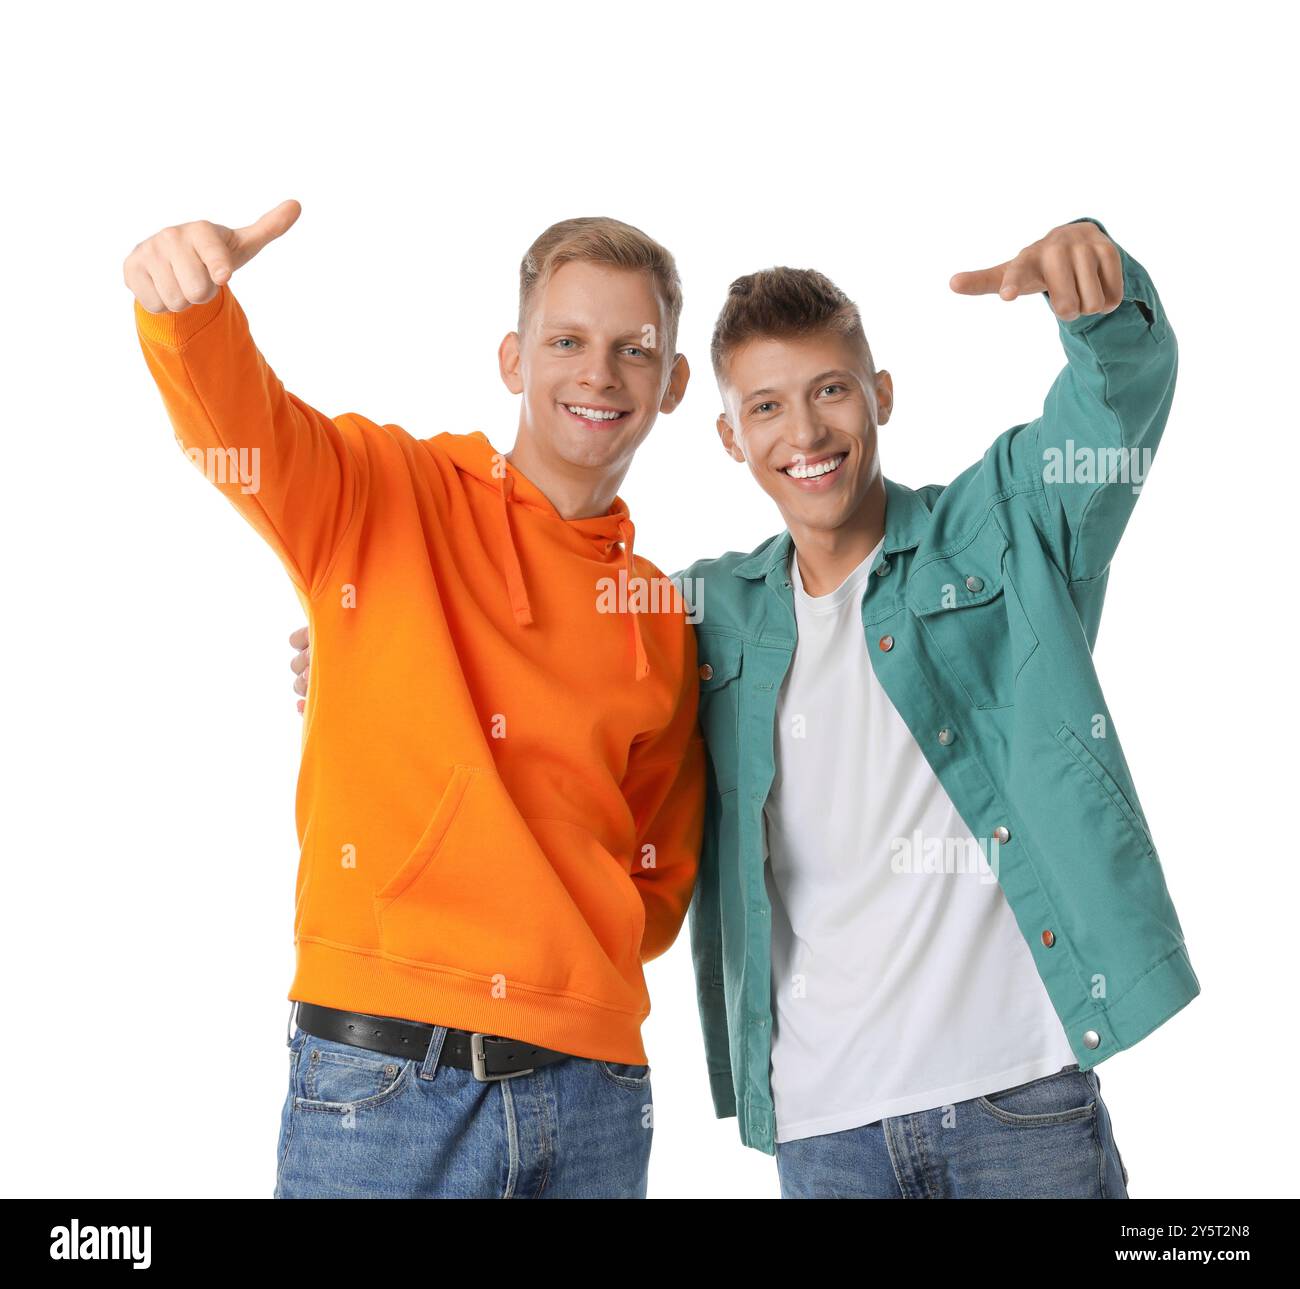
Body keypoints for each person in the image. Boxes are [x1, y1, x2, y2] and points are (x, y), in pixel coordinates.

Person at [126, 201, 705, 1199]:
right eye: (565, 340)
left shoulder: (656, 611)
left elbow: (658, 874)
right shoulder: (387, 492)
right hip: (387, 1078)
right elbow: (244, 433)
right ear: (512, 360)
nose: (598, 373)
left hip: (597, 1091)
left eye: (632, 348)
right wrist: (192, 311)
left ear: (675, 381)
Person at [675, 215, 1199, 1197]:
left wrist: (1097, 295)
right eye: (768, 406)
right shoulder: (707, 615)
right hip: (826, 1130)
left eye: (831, 389)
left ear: (878, 394)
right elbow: (553, 654)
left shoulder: (998, 529)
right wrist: (386, 643)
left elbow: (1111, 415)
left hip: (1021, 1100)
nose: (806, 433)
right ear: (730, 434)